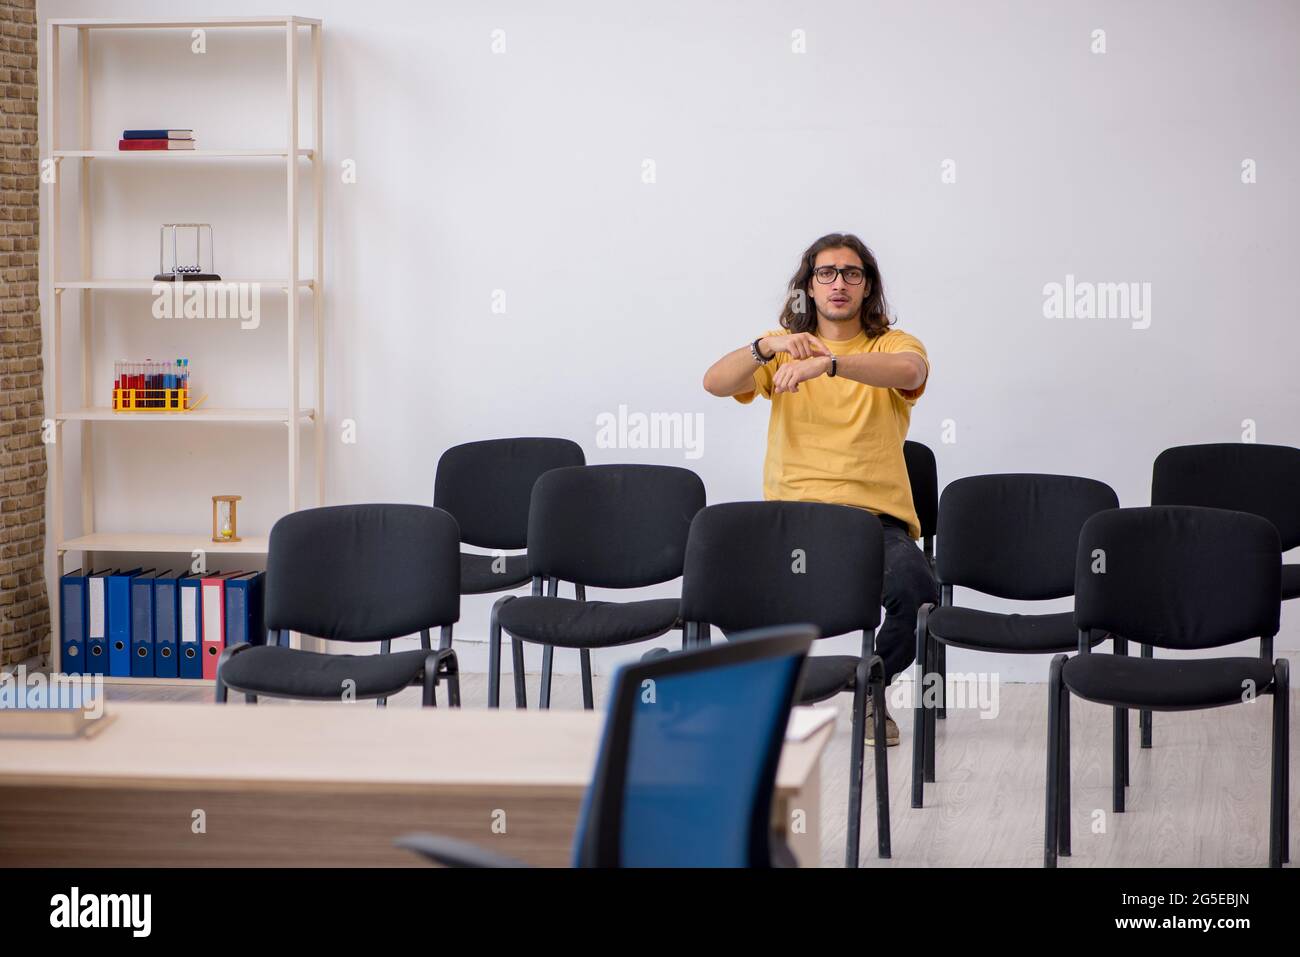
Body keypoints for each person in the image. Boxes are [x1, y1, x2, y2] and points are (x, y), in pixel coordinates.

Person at [702, 232, 938, 745]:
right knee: (716, 585)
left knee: (918, 592)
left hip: (872, 524)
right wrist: (767, 346)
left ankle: (869, 686)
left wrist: (830, 362)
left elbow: (911, 370)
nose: (838, 283)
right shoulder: (782, 349)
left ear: (867, 286)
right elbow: (715, 383)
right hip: (793, 519)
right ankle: (778, 689)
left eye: (852, 274)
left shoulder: (891, 345)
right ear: (809, 286)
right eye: (826, 273)